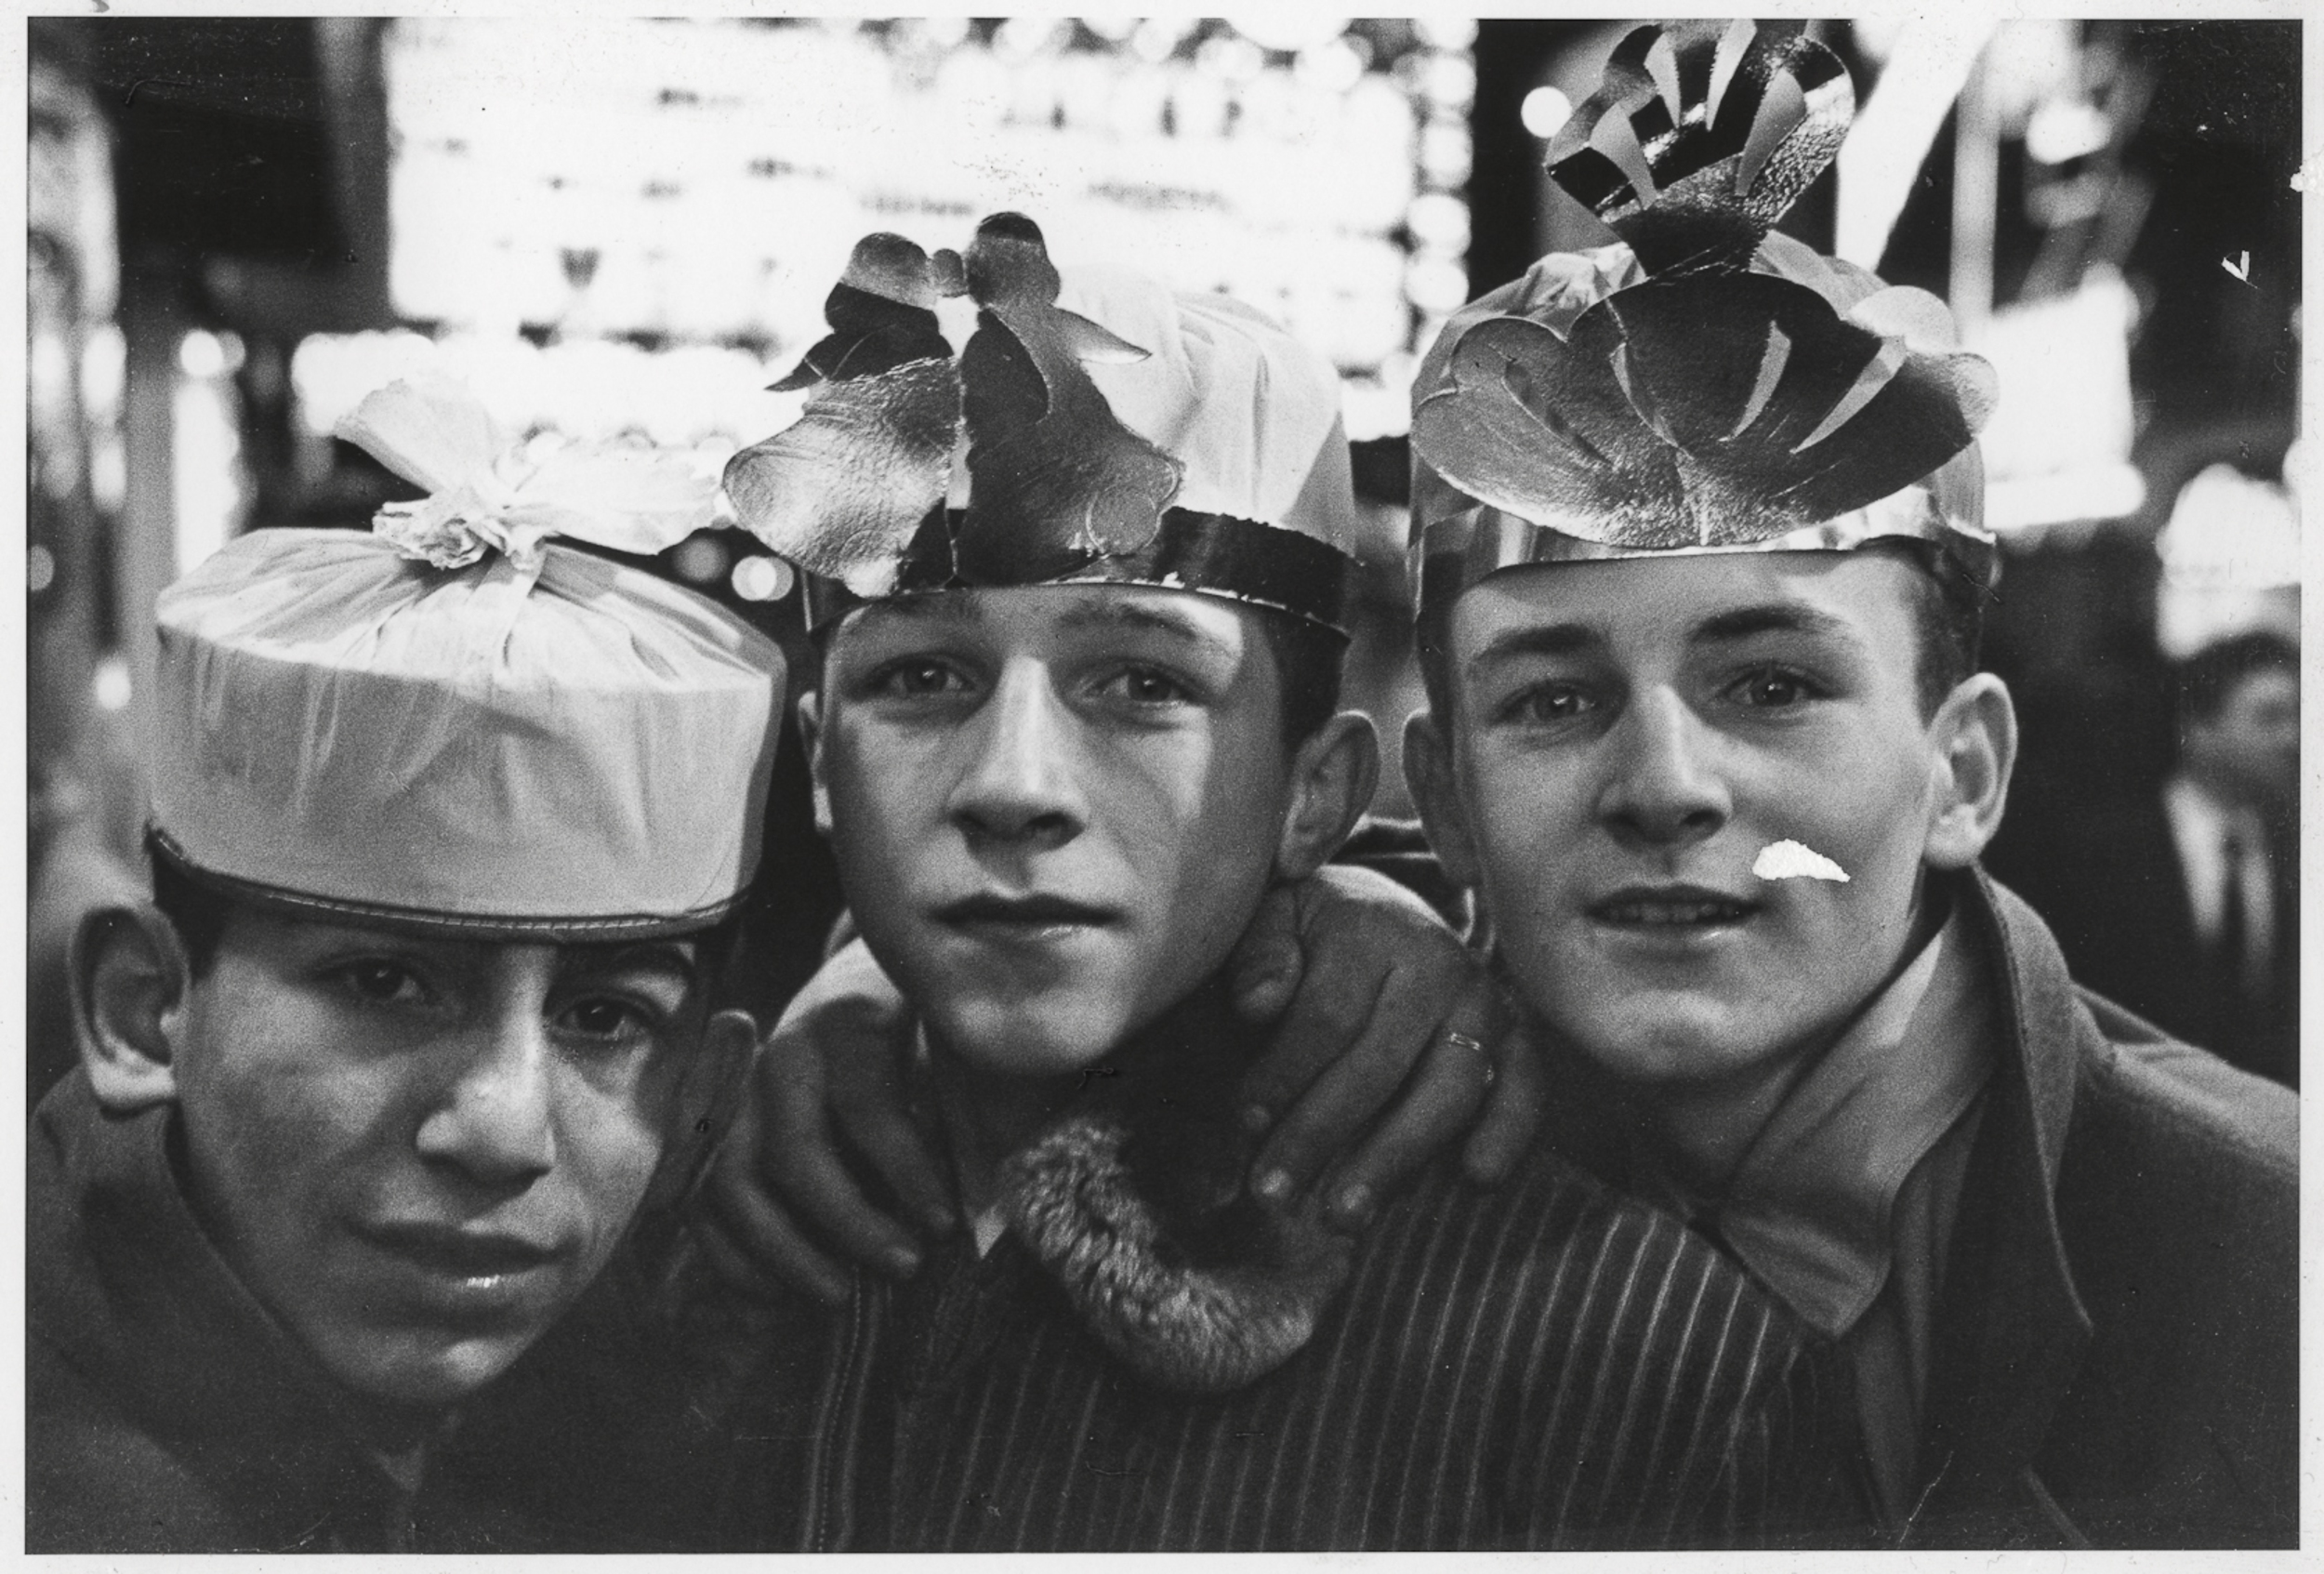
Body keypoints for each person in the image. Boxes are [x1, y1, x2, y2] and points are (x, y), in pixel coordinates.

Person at [680, 213, 1852, 1552]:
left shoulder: (1628, 1347)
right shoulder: (676, 1251)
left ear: (1316, 797)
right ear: (820, 765)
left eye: (1141, 684)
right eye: (920, 679)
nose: (1012, 783)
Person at [1393, 20, 2294, 1549]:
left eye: (1771, 684)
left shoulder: (2273, 1259)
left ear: (1965, 768)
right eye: (1554, 698)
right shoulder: (1323, 1175)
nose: (1665, 785)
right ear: (1445, 799)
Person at [27, 379, 780, 1552]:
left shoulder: (656, 1413)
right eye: (385, 983)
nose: (503, 1128)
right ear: (144, 1010)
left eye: (604, 1015)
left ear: (699, 1096)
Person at [2002, 630, 2299, 1086]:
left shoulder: (2295, 850)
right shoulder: (2104, 848)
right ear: (2200, 726)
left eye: (2299, 716)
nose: (2293, 737)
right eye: (2270, 717)